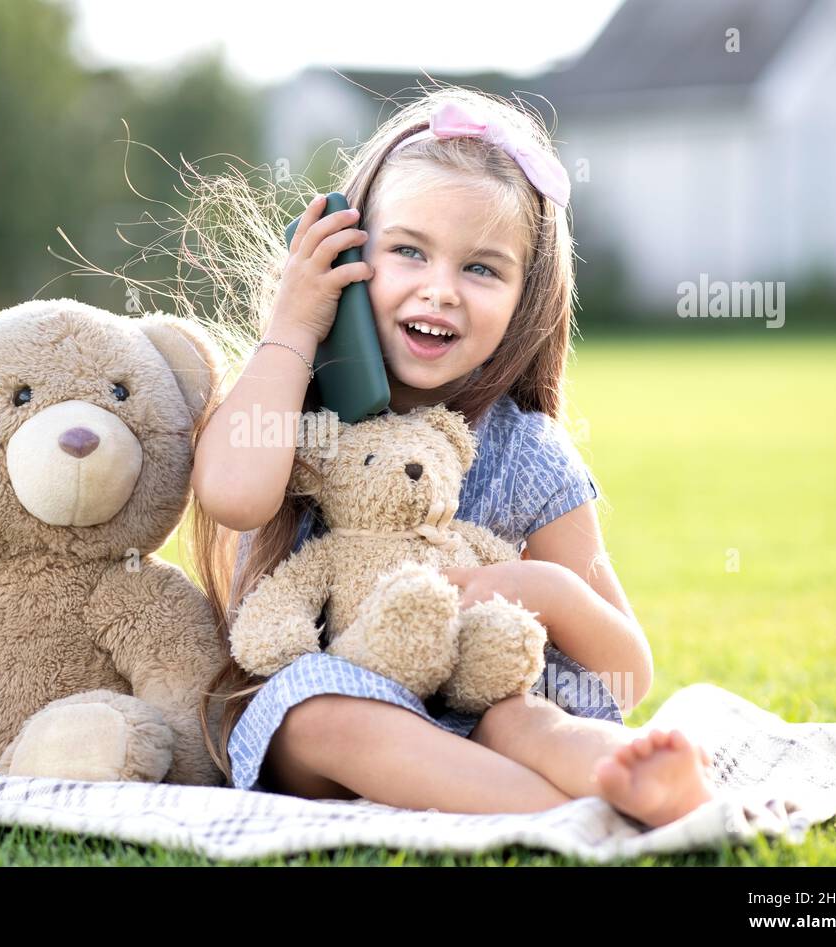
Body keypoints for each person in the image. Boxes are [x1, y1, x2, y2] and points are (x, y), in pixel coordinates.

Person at [188, 88, 716, 827]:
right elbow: (233, 498)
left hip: (481, 705)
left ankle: (621, 780)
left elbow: (627, 674)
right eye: (408, 250)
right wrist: (295, 324)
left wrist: (540, 587)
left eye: (483, 269)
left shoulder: (523, 451)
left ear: (525, 299)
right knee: (319, 714)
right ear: (347, 252)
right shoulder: (293, 410)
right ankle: (572, 818)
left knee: (523, 720)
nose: (440, 290)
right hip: (336, 726)